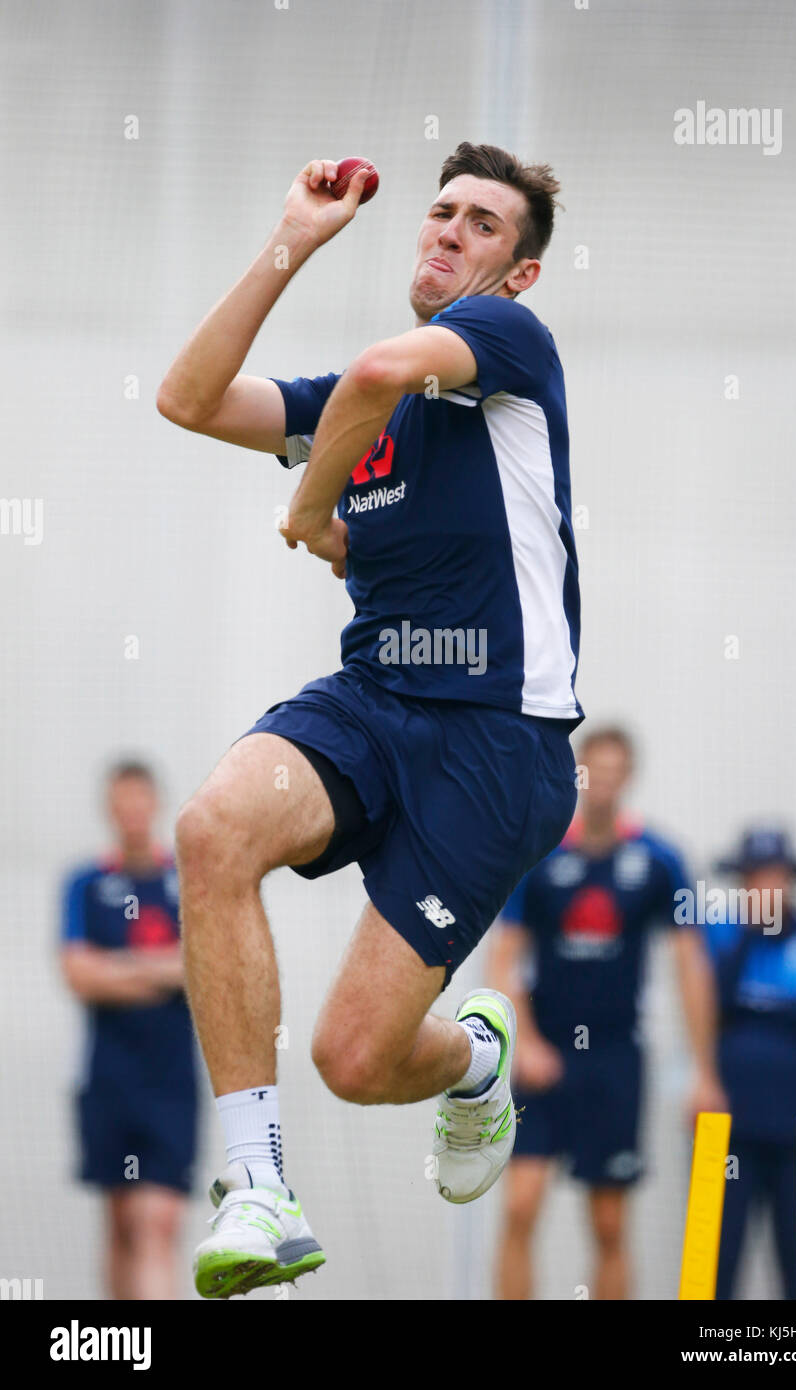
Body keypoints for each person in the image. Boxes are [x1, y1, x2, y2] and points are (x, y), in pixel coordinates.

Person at [157, 142, 584, 1297]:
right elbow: (187, 398)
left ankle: (474, 1056)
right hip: (372, 697)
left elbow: (384, 369)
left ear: (517, 273)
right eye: (439, 213)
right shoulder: (360, 411)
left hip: (497, 741)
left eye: (481, 226)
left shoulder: (508, 343)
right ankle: (255, 1187)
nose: (447, 231)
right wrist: (290, 242)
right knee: (211, 831)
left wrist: (305, 503)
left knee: (356, 1060)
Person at [488, 726, 726, 1300]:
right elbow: (503, 959)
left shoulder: (658, 860)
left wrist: (704, 1072)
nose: (604, 785)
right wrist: (526, 1044)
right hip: (546, 1058)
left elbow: (689, 963)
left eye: (617, 772)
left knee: (610, 1222)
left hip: (617, 1058)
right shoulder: (541, 853)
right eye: (595, 772)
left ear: (629, 778)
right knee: (520, 1206)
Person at [59, 760, 197, 1300]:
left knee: (157, 1221)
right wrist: (161, 970)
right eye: (123, 802)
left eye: (141, 800)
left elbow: (201, 967)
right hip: (109, 1081)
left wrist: (118, 967)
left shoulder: (183, 881)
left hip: (171, 1085)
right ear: (110, 810)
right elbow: (78, 973)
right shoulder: (87, 884)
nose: (133, 813)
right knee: (119, 1221)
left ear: (155, 804)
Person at [706, 827, 796, 1300]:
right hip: (723, 1126)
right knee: (712, 1260)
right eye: (755, 878)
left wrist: (755, 1006)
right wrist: (751, 935)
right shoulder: (719, 935)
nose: (766, 887)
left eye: (774, 876)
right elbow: (713, 1007)